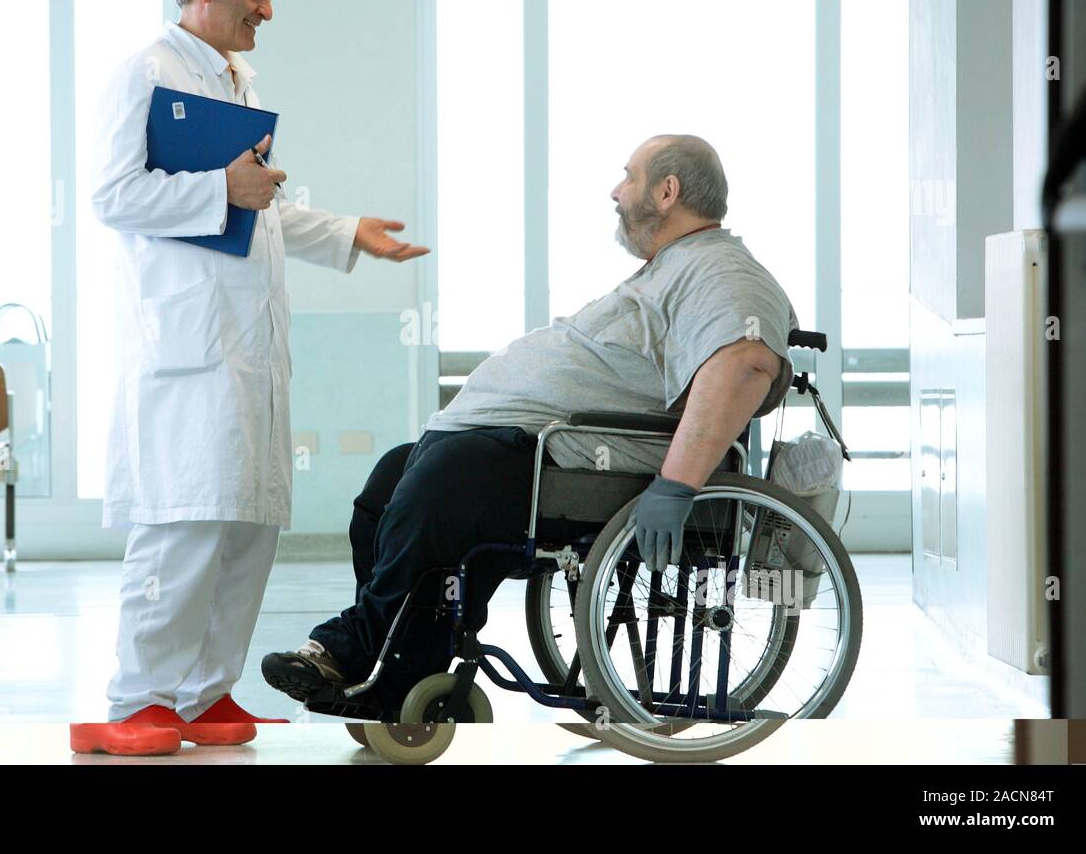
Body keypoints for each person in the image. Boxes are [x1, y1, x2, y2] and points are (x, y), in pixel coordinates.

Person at [262, 134, 797, 716]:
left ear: (667, 192)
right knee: (389, 487)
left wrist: (677, 486)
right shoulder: (673, 268)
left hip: (566, 457)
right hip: (520, 445)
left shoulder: (722, 271)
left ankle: (355, 653)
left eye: (629, 177)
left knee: (444, 487)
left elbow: (747, 364)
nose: (616, 192)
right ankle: (400, 669)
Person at [69, 0, 428, 757]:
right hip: (185, 344)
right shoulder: (146, 72)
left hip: (249, 344)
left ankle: (204, 694)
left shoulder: (230, 79)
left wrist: (346, 232)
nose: (267, 11)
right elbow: (112, 195)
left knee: (246, 521)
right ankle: (140, 697)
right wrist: (216, 187)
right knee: (185, 521)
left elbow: (255, 207)